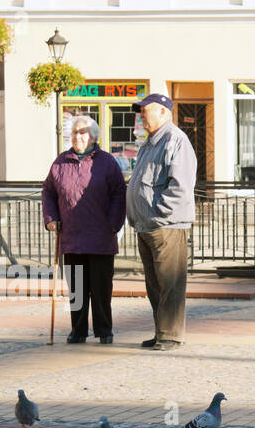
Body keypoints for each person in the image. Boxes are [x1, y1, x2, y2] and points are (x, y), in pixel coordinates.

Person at [42, 115, 126, 344]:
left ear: (93, 136)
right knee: (77, 289)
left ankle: (104, 330)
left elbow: (119, 193)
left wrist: (112, 223)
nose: (78, 137)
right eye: (75, 133)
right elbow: (48, 191)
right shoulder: (60, 163)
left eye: (83, 132)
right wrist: (51, 218)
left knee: (101, 289)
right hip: (72, 236)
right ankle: (78, 330)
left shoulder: (106, 162)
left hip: (100, 237)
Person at [126, 93, 197, 351]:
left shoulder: (176, 140)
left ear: (164, 112)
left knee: (171, 283)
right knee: (155, 284)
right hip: (146, 225)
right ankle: (161, 332)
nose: (141, 114)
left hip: (166, 225)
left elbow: (180, 186)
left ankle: (171, 336)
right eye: (141, 111)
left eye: (146, 110)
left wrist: (157, 212)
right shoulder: (149, 143)